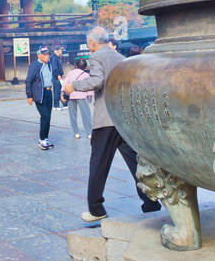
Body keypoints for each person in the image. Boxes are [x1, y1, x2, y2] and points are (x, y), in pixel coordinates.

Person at [65, 27, 161, 222]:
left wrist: (73, 86)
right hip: (122, 118)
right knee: (135, 162)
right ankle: (151, 201)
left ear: (92, 42)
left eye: (88, 42)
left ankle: (96, 208)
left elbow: (97, 81)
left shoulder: (97, 57)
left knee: (98, 163)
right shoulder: (119, 57)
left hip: (105, 119)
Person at [25, 46, 57, 149]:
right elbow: (28, 81)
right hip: (39, 94)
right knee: (45, 116)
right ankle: (41, 140)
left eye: (48, 54)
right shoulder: (35, 65)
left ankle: (45, 139)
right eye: (45, 54)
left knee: (48, 117)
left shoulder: (49, 65)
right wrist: (29, 95)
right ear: (40, 55)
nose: (48, 56)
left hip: (48, 92)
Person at [63, 58, 94, 139]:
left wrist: (62, 93)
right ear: (85, 66)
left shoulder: (70, 73)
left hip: (71, 96)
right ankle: (89, 133)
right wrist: (89, 96)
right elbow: (89, 86)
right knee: (86, 115)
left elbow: (65, 83)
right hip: (82, 96)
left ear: (76, 65)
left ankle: (76, 133)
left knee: (72, 115)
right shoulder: (86, 75)